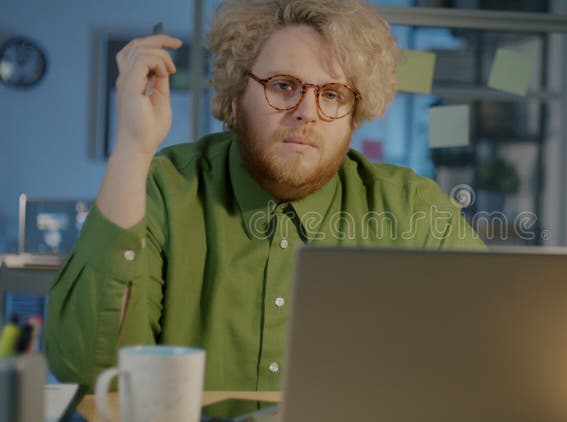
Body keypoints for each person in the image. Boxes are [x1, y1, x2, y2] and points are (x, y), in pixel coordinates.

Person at [44, 0, 484, 391]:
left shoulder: (412, 208)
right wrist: (132, 148)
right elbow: (85, 367)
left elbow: (492, 351)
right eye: (283, 85)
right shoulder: (164, 187)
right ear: (235, 99)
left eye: (331, 94)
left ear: (354, 116)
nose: (307, 112)